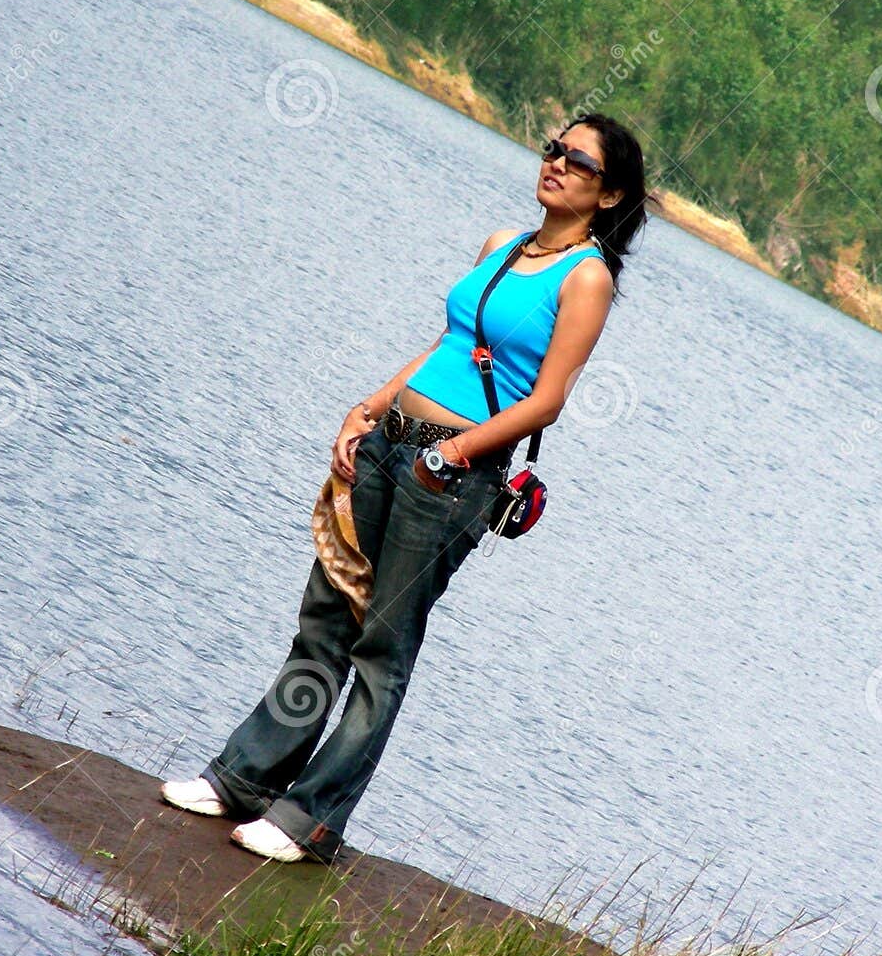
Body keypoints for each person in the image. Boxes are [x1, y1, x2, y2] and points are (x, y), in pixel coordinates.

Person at [161, 112, 650, 863]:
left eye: (577, 161)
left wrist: (451, 454)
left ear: (609, 193)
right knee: (327, 618)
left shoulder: (588, 278)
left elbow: (547, 400)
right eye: (554, 149)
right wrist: (368, 408)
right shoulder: (503, 245)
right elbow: (448, 344)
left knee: (382, 649)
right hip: (391, 446)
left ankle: (309, 821)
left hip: (452, 478)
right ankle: (245, 779)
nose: (555, 162)